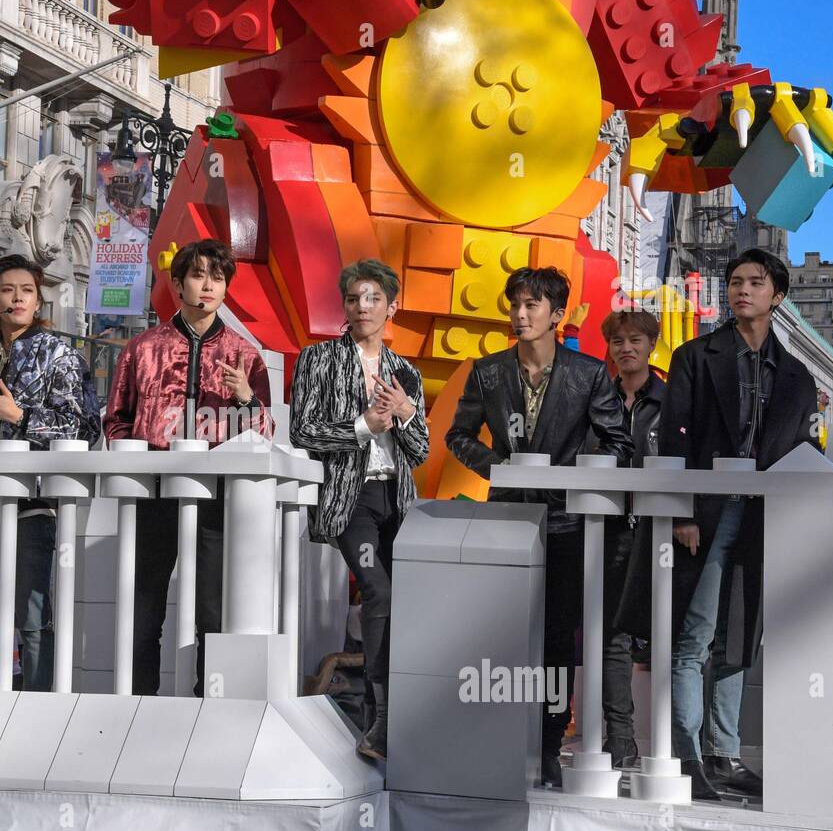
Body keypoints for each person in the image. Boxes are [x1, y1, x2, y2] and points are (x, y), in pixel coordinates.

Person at [445, 267, 633, 787]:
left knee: (554, 638)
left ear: (558, 315)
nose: (521, 315)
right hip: (506, 517)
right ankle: (500, 735)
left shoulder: (588, 373)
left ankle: (549, 743)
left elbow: (620, 444)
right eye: (514, 305)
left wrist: (569, 475)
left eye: (532, 305)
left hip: (566, 523)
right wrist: (499, 468)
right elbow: (458, 435)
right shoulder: (487, 371)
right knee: (501, 630)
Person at [659, 248, 821, 800]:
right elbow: (673, 436)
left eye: (755, 282)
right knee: (696, 636)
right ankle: (688, 755)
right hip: (706, 513)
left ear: (778, 296)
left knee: (739, 640)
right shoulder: (695, 356)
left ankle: (725, 755)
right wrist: (681, 511)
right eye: (734, 282)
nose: (741, 290)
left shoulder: (796, 376)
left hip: (762, 516)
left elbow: (800, 450)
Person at [103, 238, 274, 696]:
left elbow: (264, 433)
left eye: (217, 278)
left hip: (216, 495)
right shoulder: (142, 349)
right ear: (177, 283)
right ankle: (138, 703)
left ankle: (207, 705)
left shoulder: (245, 353)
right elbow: (115, 421)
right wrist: (137, 464)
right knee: (143, 609)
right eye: (198, 275)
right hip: (154, 492)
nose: (207, 286)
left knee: (212, 612)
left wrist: (245, 398)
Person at [0, 254, 101, 690]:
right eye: (8, 290)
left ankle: (36, 704)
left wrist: (21, 416)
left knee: (32, 615)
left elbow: (85, 427)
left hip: (32, 500)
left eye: (27, 291)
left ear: (38, 300)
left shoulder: (61, 355)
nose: (18, 298)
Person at [289, 258, 429, 761]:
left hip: (398, 497)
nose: (362, 307)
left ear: (392, 307)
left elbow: (422, 450)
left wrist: (406, 415)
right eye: (353, 298)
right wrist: (364, 425)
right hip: (351, 497)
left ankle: (383, 717)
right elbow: (302, 431)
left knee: (401, 603)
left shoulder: (405, 371)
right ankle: (381, 715)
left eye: (373, 299)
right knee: (378, 591)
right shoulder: (319, 360)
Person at [593, 307, 666, 769]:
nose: (627, 349)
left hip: (664, 528)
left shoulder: (675, 400)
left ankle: (678, 743)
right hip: (609, 527)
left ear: (651, 346)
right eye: (619, 341)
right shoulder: (598, 399)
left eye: (636, 340)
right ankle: (620, 737)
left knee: (668, 635)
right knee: (613, 635)